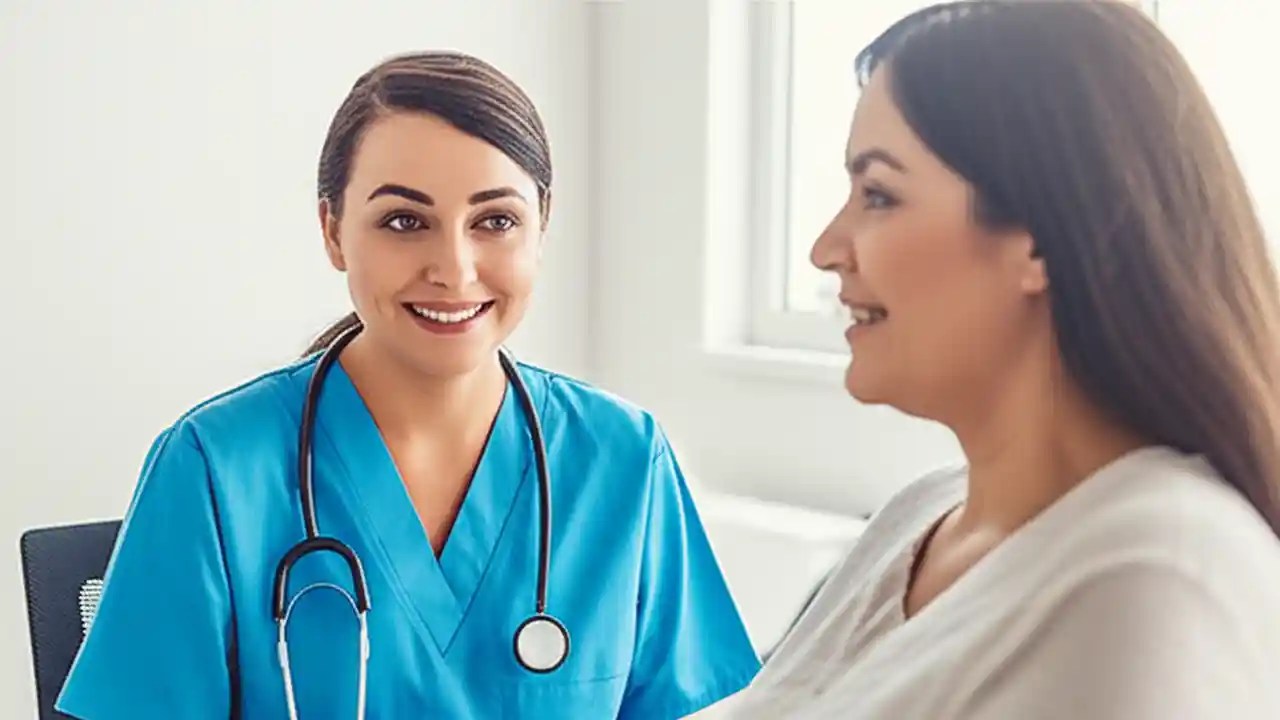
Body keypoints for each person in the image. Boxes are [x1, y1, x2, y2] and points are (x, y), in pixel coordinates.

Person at [56, 50, 760, 719]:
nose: (453, 269)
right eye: (404, 221)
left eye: (495, 221)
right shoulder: (214, 466)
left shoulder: (624, 459)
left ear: (542, 226)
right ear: (333, 231)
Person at [724, 1, 1280, 718]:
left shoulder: (1158, 580)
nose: (826, 249)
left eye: (879, 196)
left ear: (1041, 236)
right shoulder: (919, 517)